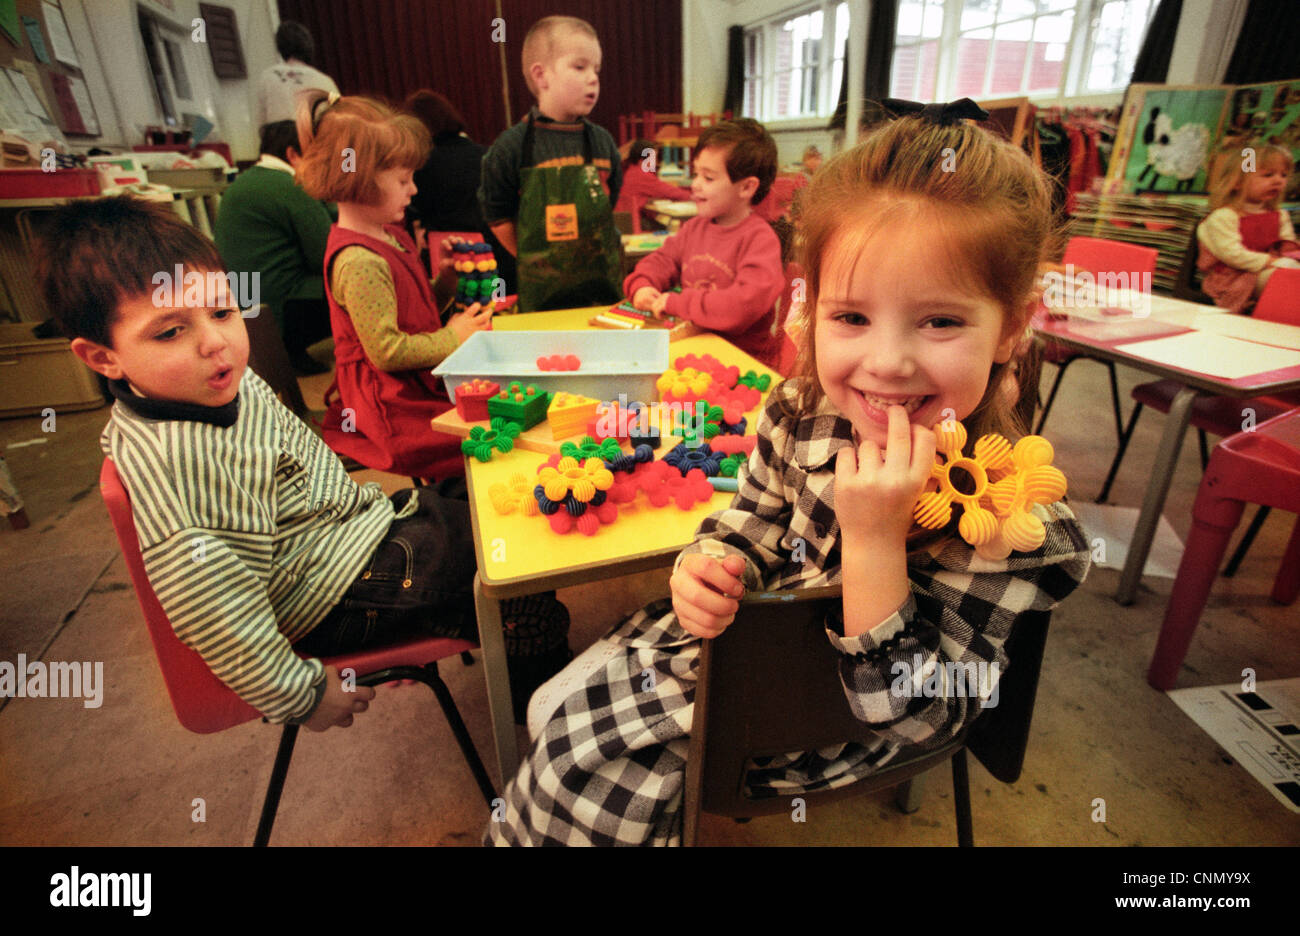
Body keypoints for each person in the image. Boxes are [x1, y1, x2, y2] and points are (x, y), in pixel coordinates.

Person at [485, 109, 1093, 846]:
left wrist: (873, 544)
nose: (888, 362)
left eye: (939, 322)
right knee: (550, 704)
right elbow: (748, 519)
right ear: (811, 310)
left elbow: (924, 713)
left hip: (821, 730)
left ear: (1013, 326)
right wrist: (713, 562)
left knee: (571, 769)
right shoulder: (801, 410)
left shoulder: (1016, 524)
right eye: (852, 317)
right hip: (725, 650)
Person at [39, 196, 567, 731]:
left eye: (222, 311)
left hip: (355, 543)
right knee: (516, 566)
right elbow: (213, 609)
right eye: (170, 331)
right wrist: (303, 694)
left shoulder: (220, 385)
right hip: (333, 591)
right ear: (102, 357)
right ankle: (552, 715)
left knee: (489, 503)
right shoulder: (176, 458)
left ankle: (472, 624)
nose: (215, 342)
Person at [295, 91, 494, 481]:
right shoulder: (359, 262)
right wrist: (454, 336)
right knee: (488, 437)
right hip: (394, 407)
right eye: (403, 180)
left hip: (417, 382)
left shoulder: (393, 235)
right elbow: (387, 350)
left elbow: (411, 313)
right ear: (359, 180)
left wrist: (446, 282)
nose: (414, 189)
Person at [478, 15, 623, 312]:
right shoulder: (510, 147)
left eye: (596, 69)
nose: (593, 77)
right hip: (540, 297)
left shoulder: (603, 143)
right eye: (580, 67)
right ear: (541, 76)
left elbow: (610, 203)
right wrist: (534, 257)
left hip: (603, 293)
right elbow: (496, 213)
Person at [623, 118, 786, 370]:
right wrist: (643, 284)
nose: (695, 184)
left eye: (708, 178)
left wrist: (676, 303)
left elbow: (740, 307)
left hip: (744, 365)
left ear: (746, 187)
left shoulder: (760, 241)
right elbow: (662, 260)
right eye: (696, 173)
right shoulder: (694, 228)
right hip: (697, 351)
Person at [213, 119, 333, 375]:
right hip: (284, 308)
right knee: (359, 278)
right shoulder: (292, 187)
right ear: (293, 154)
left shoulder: (242, 184)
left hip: (247, 307)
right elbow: (325, 254)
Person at [403, 90, 516, 294]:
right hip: (496, 256)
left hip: (453, 259)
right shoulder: (487, 155)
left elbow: (414, 214)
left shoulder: (420, 165)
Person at [1197, 141, 1300, 314]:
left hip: (1274, 269)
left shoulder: (1280, 214)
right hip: (1232, 278)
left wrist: (1291, 255)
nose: (1278, 181)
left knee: (1288, 277)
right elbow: (1234, 256)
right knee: (1285, 280)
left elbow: (1286, 245)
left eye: (1283, 175)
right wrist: (1274, 262)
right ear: (1237, 182)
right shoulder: (1224, 216)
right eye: (1268, 175)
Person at [256, 21, 339, 128]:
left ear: (280, 48)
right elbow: (340, 119)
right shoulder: (325, 81)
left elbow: (261, 125)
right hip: (316, 140)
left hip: (278, 142)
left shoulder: (267, 76)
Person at [613, 138, 689, 216]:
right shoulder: (641, 175)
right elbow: (669, 191)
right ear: (642, 159)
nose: (656, 162)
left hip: (626, 219)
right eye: (653, 158)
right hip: (635, 221)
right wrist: (693, 196)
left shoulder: (632, 171)